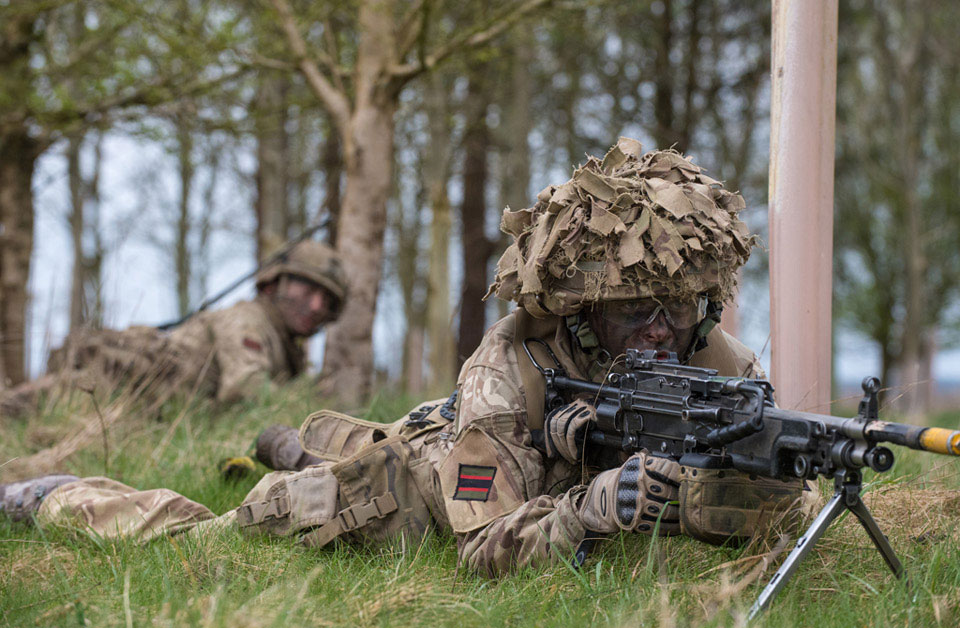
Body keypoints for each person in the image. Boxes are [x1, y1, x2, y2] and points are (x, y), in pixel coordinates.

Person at [0, 139, 804, 576]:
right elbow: (481, 549)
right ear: (584, 304)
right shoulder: (508, 367)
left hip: (491, 459)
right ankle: (53, 495)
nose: (662, 330)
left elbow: (774, 476)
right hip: (407, 497)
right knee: (215, 539)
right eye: (637, 309)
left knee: (344, 439)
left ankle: (292, 441)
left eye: (682, 308)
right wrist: (589, 512)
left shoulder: (712, 354)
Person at [0, 240, 347, 417]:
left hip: (136, 411)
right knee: (16, 410)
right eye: (308, 288)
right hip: (110, 388)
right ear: (274, 284)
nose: (316, 306)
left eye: (327, 300)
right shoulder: (249, 320)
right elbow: (245, 388)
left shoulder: (286, 348)